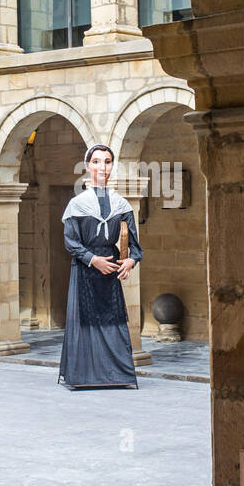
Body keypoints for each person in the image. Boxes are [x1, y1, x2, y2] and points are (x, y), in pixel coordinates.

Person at [58, 145, 144, 389]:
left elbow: (136, 247)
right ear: (88, 166)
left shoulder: (122, 205)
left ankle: (116, 375)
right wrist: (92, 260)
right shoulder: (77, 204)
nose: (102, 167)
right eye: (96, 162)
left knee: (113, 320)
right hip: (85, 269)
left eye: (107, 162)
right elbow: (70, 241)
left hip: (111, 271)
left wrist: (129, 261)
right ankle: (84, 376)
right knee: (84, 321)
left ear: (111, 166)